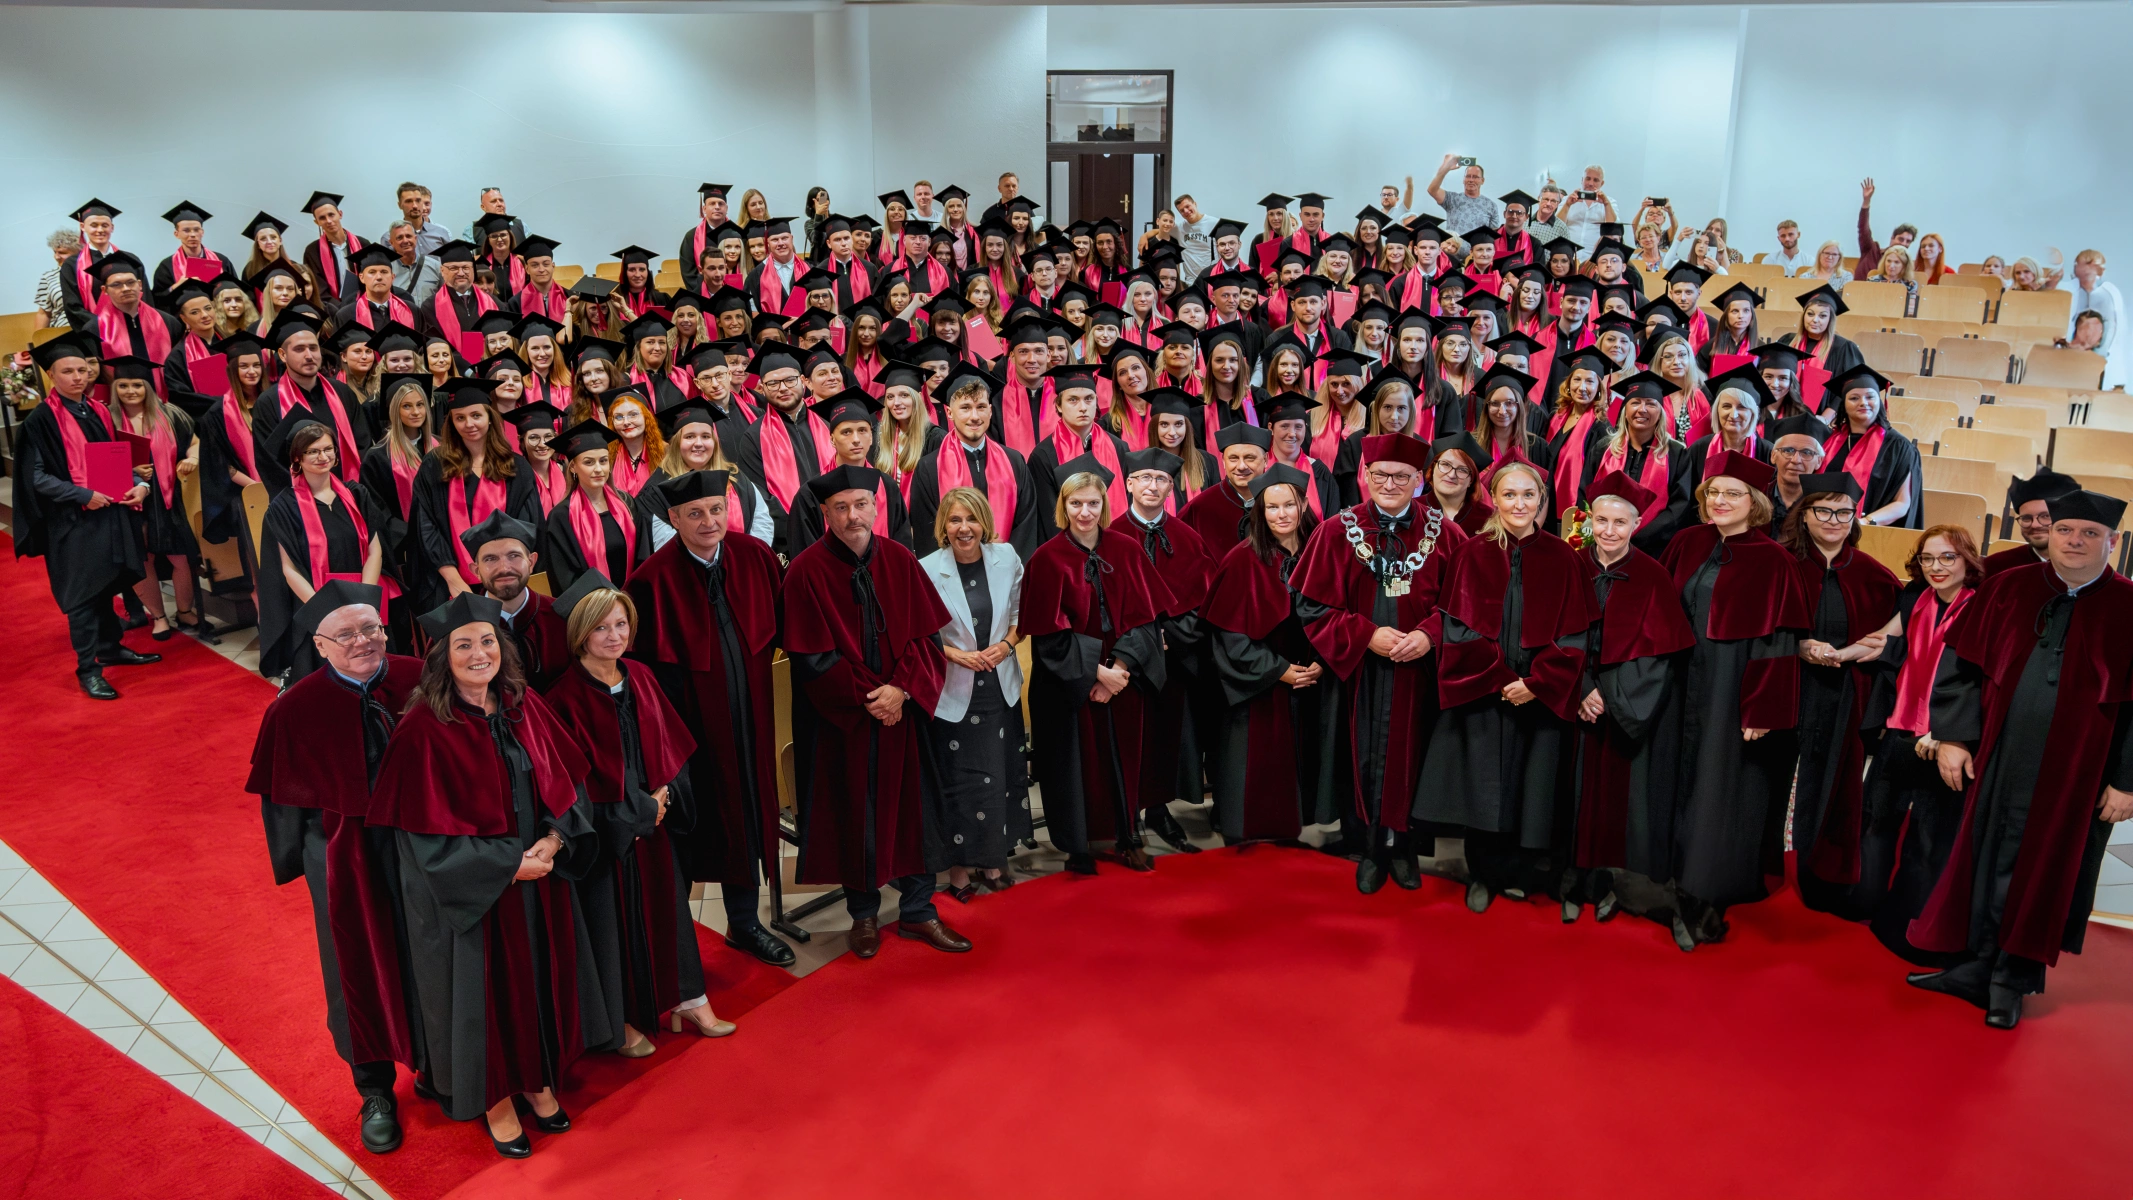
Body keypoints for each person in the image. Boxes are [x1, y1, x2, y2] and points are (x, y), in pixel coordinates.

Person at [367, 593, 605, 1156]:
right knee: (482, 993)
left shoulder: (522, 705)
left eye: (488, 641)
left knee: (534, 981)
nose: (480, 654)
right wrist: (507, 866)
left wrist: (554, 838)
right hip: (469, 898)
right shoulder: (423, 728)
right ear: (441, 657)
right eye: (464, 645)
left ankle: (536, 1079)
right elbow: (423, 842)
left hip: (535, 877)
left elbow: (564, 781)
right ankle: (494, 1097)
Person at [1907, 489, 2133, 1029]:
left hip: (2080, 771)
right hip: (1999, 757)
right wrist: (1956, 739)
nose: (2074, 541)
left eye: (2089, 534)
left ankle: (2012, 979)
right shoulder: (2009, 589)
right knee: (1984, 854)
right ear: (2048, 533)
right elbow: (1959, 667)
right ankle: (1972, 965)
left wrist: (2127, 782)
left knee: (2044, 868)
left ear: (2113, 541)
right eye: (2064, 530)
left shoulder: (2129, 606)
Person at [245, 582, 423, 1155]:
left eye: (371, 629)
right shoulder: (295, 708)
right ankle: (373, 1088)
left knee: (432, 953)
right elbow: (282, 802)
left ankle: (439, 1064)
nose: (363, 642)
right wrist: (307, 864)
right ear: (320, 646)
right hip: (344, 854)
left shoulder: (419, 676)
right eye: (345, 635)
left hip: (424, 845)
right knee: (355, 965)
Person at [542, 574, 736, 1056]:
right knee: (611, 927)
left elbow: (672, 746)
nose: (615, 636)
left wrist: (665, 794)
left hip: (656, 825)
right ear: (581, 634)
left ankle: (688, 999)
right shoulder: (563, 698)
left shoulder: (641, 676)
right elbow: (574, 781)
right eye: (602, 628)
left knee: (670, 912)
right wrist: (636, 810)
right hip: (609, 837)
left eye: (621, 624)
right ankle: (621, 1020)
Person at [783, 464, 970, 956]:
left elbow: (928, 637)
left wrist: (901, 692)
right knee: (853, 814)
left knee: (916, 811)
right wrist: (873, 698)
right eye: (840, 508)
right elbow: (812, 660)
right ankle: (863, 916)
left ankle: (918, 912)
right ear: (824, 513)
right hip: (843, 723)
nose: (852, 516)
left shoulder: (902, 560)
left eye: (860, 505)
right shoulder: (804, 571)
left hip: (902, 716)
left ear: (875, 506)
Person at [625, 469, 793, 965]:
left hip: (754, 719)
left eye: (716, 509)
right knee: (701, 824)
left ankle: (744, 923)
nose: (708, 521)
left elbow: (778, 631)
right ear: (673, 518)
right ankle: (675, 946)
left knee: (750, 813)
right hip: (691, 732)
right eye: (694, 514)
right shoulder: (649, 581)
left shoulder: (756, 556)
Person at [1415, 460, 1594, 914]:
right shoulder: (1472, 553)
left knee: (1530, 787)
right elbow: (1456, 627)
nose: (1519, 503)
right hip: (1485, 692)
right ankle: (1483, 873)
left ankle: (1519, 871)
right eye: (1509, 494)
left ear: (1541, 501)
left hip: (1539, 696)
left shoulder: (1564, 558)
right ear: (1495, 499)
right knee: (1482, 786)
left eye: (1528, 495)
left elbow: (1575, 636)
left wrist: (1537, 683)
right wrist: (1501, 678)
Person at [1295, 433, 1465, 889]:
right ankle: (1369, 849)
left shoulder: (1446, 534)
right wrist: (1366, 635)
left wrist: (1429, 637)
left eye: (1402, 476)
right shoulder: (1336, 530)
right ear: (1365, 476)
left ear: (1419, 479)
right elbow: (1311, 606)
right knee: (1360, 757)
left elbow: (1464, 607)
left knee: (1415, 758)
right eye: (1380, 475)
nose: (1390, 483)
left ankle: (1407, 849)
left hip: (1420, 675)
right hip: (1358, 674)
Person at [1655, 451, 1809, 951]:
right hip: (1678, 683)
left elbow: (1778, 644)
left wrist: (1761, 709)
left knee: (1719, 788)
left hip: (1730, 690)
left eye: (1732, 493)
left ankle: (1705, 894)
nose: (1720, 501)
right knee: (1674, 778)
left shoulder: (1775, 561)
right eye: (1713, 492)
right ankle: (1665, 880)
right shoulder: (1686, 542)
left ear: (1757, 503)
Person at [1020, 459, 1169, 875]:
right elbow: (1047, 637)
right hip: (1069, 682)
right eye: (1075, 504)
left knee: (1125, 758)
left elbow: (1145, 618)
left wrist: (1118, 668)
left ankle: (1130, 836)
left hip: (1125, 672)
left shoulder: (1126, 548)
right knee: (1072, 763)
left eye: (1092, 503)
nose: (1084, 512)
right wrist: (1094, 674)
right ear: (1063, 507)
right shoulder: (1046, 559)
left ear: (1103, 505)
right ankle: (1078, 845)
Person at [1564, 471, 1696, 923]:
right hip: (1574, 702)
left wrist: (1611, 696)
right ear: (1588, 521)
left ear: (1637, 524)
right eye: (1601, 521)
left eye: (1620, 523)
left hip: (1625, 710)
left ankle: (1620, 884)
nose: (1609, 531)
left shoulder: (1653, 576)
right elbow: (1551, 636)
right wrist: (1581, 689)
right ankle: (1573, 882)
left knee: (1624, 802)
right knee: (1572, 793)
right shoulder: (1572, 564)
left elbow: (1660, 656)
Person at [1859, 524, 1984, 965]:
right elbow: (1883, 641)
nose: (1936, 567)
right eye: (1929, 558)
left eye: (1947, 557)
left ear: (1968, 559)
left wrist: (1951, 731)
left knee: (1931, 839)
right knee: (1875, 820)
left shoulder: (1981, 608)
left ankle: (1918, 930)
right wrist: (1834, 653)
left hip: (1944, 739)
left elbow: (1982, 681)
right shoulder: (1915, 597)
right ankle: (1873, 907)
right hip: (1900, 728)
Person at [11, 330, 157, 699]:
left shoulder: (96, 411)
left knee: (107, 585)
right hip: (71, 521)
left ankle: (110, 648)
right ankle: (88, 668)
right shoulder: (40, 421)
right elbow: (35, 476)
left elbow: (113, 458)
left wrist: (137, 485)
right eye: (67, 371)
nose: (77, 377)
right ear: (52, 376)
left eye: (82, 369)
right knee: (82, 596)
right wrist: (82, 495)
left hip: (107, 513)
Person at [1779, 473, 1901, 918]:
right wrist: (1799, 645)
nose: (1834, 520)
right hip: (1789, 687)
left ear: (1855, 518)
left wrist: (1857, 652)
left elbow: (1907, 624)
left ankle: (1823, 876)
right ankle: (1762, 867)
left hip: (1845, 695)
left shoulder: (1873, 575)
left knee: (1834, 784)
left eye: (1843, 512)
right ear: (1805, 514)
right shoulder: (1782, 565)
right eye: (1823, 511)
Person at [1202, 463, 1342, 844]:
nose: (1282, 515)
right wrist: (1279, 670)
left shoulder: (1323, 552)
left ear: (1303, 506)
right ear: (1260, 513)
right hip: (1260, 684)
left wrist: (1321, 662)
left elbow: (1340, 613)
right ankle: (1251, 834)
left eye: (1289, 505)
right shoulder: (1242, 559)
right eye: (1272, 507)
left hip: (1313, 678)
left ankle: (1295, 829)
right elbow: (1229, 637)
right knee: (1257, 762)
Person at [918, 487, 1031, 900]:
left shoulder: (1007, 559)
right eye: (954, 520)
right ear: (943, 526)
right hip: (955, 688)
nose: (964, 528)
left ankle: (993, 858)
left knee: (999, 777)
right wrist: (955, 656)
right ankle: (959, 868)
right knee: (960, 782)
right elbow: (921, 633)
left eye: (971, 519)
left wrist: (1005, 646)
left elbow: (1022, 616)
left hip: (999, 685)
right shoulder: (927, 567)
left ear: (984, 521)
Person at [1114, 446, 1215, 853]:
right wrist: (1139, 644)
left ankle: (1158, 808)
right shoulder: (1112, 534)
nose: (1153, 486)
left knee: (1166, 735)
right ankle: (1128, 813)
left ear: (1171, 488)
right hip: (1127, 660)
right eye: (1145, 479)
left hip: (1174, 658)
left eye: (1161, 480)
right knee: (1128, 735)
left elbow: (1203, 602)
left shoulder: (1188, 539)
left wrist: (1171, 635)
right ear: (1129, 484)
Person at [256, 415, 391, 682]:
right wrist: (326, 609)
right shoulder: (283, 508)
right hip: (316, 606)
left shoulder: (357, 495)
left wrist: (363, 601)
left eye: (328, 449)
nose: (322, 456)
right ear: (297, 458)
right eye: (312, 451)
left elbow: (375, 551)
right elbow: (288, 568)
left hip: (364, 601)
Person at [413, 380, 541, 606]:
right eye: (460, 418)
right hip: (451, 583)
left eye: (476, 415)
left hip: (507, 580)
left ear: (490, 417)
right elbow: (426, 527)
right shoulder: (434, 465)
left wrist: (504, 573)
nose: (468, 424)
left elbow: (527, 525)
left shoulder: (516, 468)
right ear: (451, 422)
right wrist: (454, 581)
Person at [103, 357, 203, 639]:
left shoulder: (170, 413)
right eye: (123, 385)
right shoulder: (106, 418)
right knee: (142, 558)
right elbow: (97, 461)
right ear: (115, 387)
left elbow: (194, 443)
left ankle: (184, 610)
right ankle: (158, 616)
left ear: (148, 386)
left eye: (137, 384)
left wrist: (193, 458)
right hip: (128, 498)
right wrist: (131, 470)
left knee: (181, 558)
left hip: (169, 496)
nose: (131, 390)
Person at [906, 363, 1046, 560]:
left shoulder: (1014, 462)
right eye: (965, 408)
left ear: (990, 411)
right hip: (951, 577)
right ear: (949, 413)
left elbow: (1026, 526)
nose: (974, 416)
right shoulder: (929, 468)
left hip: (1008, 575)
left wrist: (1010, 571)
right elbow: (926, 533)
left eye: (980, 407)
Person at [783, 389, 912, 557]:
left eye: (862, 430)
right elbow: (805, 558)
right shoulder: (811, 494)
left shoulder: (887, 486)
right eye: (846, 432)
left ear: (872, 437)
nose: (856, 439)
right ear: (832, 440)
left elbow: (902, 548)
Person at [1821, 363, 1920, 528]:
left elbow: (1902, 503)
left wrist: (1864, 522)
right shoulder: (1829, 441)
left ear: (1879, 401)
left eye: (1870, 397)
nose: (1863, 403)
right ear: (1843, 404)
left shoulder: (1898, 446)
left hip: (1870, 532)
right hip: (1824, 526)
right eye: (1854, 398)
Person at [1179, 423, 1271, 560]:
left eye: (1249, 458)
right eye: (1233, 458)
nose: (1241, 466)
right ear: (1223, 461)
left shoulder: (1283, 503)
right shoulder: (1198, 509)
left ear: (1265, 460)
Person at [1985, 467, 2079, 576]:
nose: (2035, 525)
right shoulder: (1995, 567)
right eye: (2026, 518)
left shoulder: (2091, 567)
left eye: (2045, 516)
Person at [149, 201, 237, 305]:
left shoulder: (221, 260)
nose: (192, 235)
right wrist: (176, 286)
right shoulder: (167, 266)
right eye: (186, 230)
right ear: (176, 234)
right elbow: (157, 299)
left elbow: (237, 289)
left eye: (196, 230)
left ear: (202, 232)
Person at [1854, 178, 1915, 279]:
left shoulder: (1906, 265)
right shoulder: (1872, 250)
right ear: (1892, 238)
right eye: (1901, 239)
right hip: (1859, 292)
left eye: (1908, 241)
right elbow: (1863, 229)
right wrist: (1866, 201)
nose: (1904, 244)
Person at [1427, 154, 1501, 236]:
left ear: (1482, 181)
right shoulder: (1452, 199)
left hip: (1477, 248)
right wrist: (1446, 168)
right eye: (1468, 176)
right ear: (1463, 179)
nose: (1471, 180)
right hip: (1452, 247)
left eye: (1475, 177)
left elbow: (1493, 235)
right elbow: (1432, 190)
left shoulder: (1491, 205)